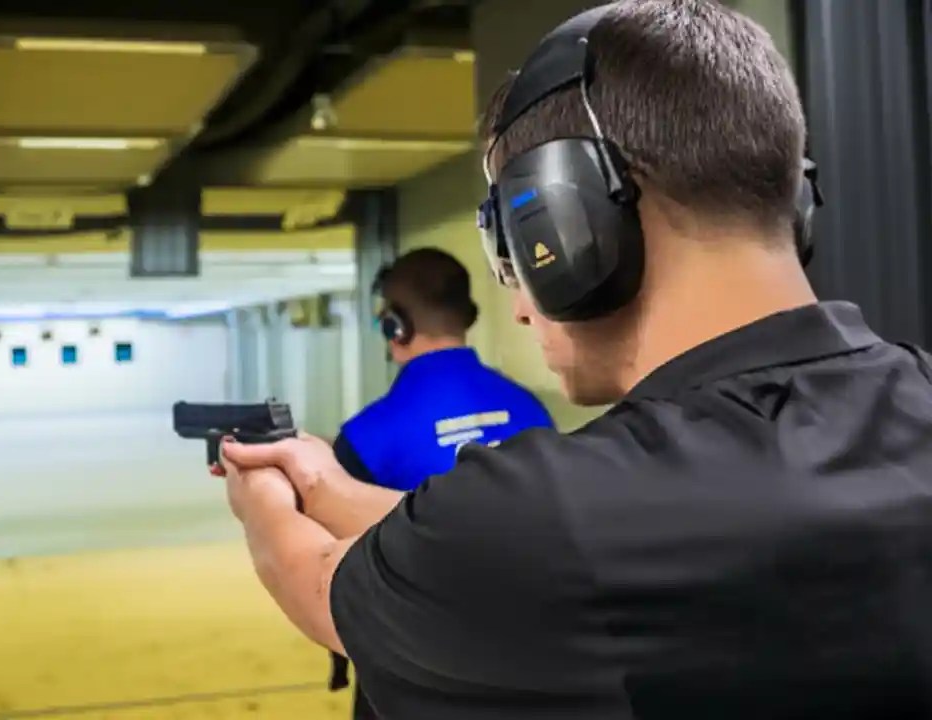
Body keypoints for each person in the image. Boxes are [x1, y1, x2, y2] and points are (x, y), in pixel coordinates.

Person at [215, 2, 932, 718]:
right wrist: (321, 478)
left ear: (570, 216)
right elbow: (504, 547)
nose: (522, 305)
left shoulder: (549, 513)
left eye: (516, 245)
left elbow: (314, 580)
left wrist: (264, 493)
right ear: (796, 201)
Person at [328, 247, 555, 717]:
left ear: (395, 326)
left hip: (408, 669)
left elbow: (337, 567)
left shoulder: (366, 437)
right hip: (530, 664)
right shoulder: (531, 410)